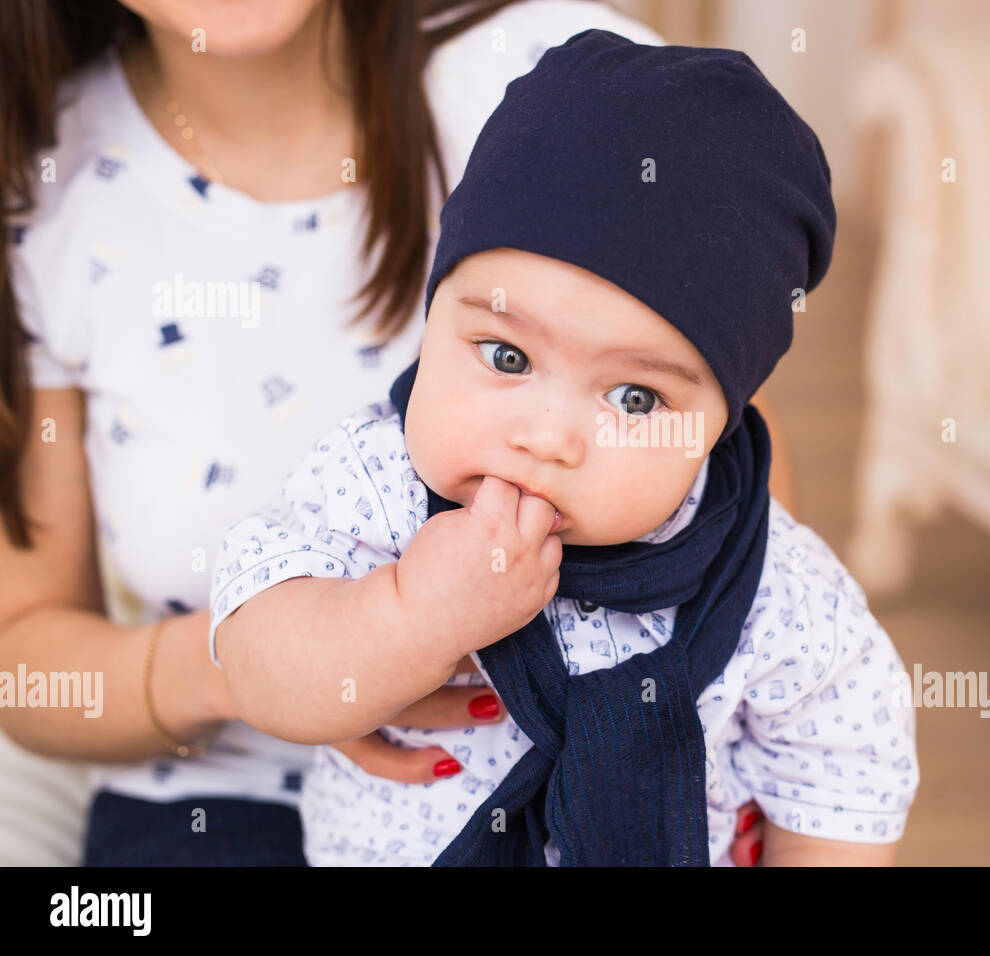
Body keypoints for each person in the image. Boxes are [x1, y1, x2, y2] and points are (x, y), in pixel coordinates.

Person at [0, 0, 774, 866]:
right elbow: (21, 657)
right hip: (222, 794)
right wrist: (288, 664)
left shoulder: (583, 88)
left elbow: (743, 520)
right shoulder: (40, 186)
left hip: (568, 772)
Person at [210, 28, 918, 866]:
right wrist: (408, 615)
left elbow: (845, 770)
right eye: (506, 357)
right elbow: (259, 668)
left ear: (718, 425)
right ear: (431, 322)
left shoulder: (767, 582)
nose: (544, 436)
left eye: (634, 397)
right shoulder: (377, 485)